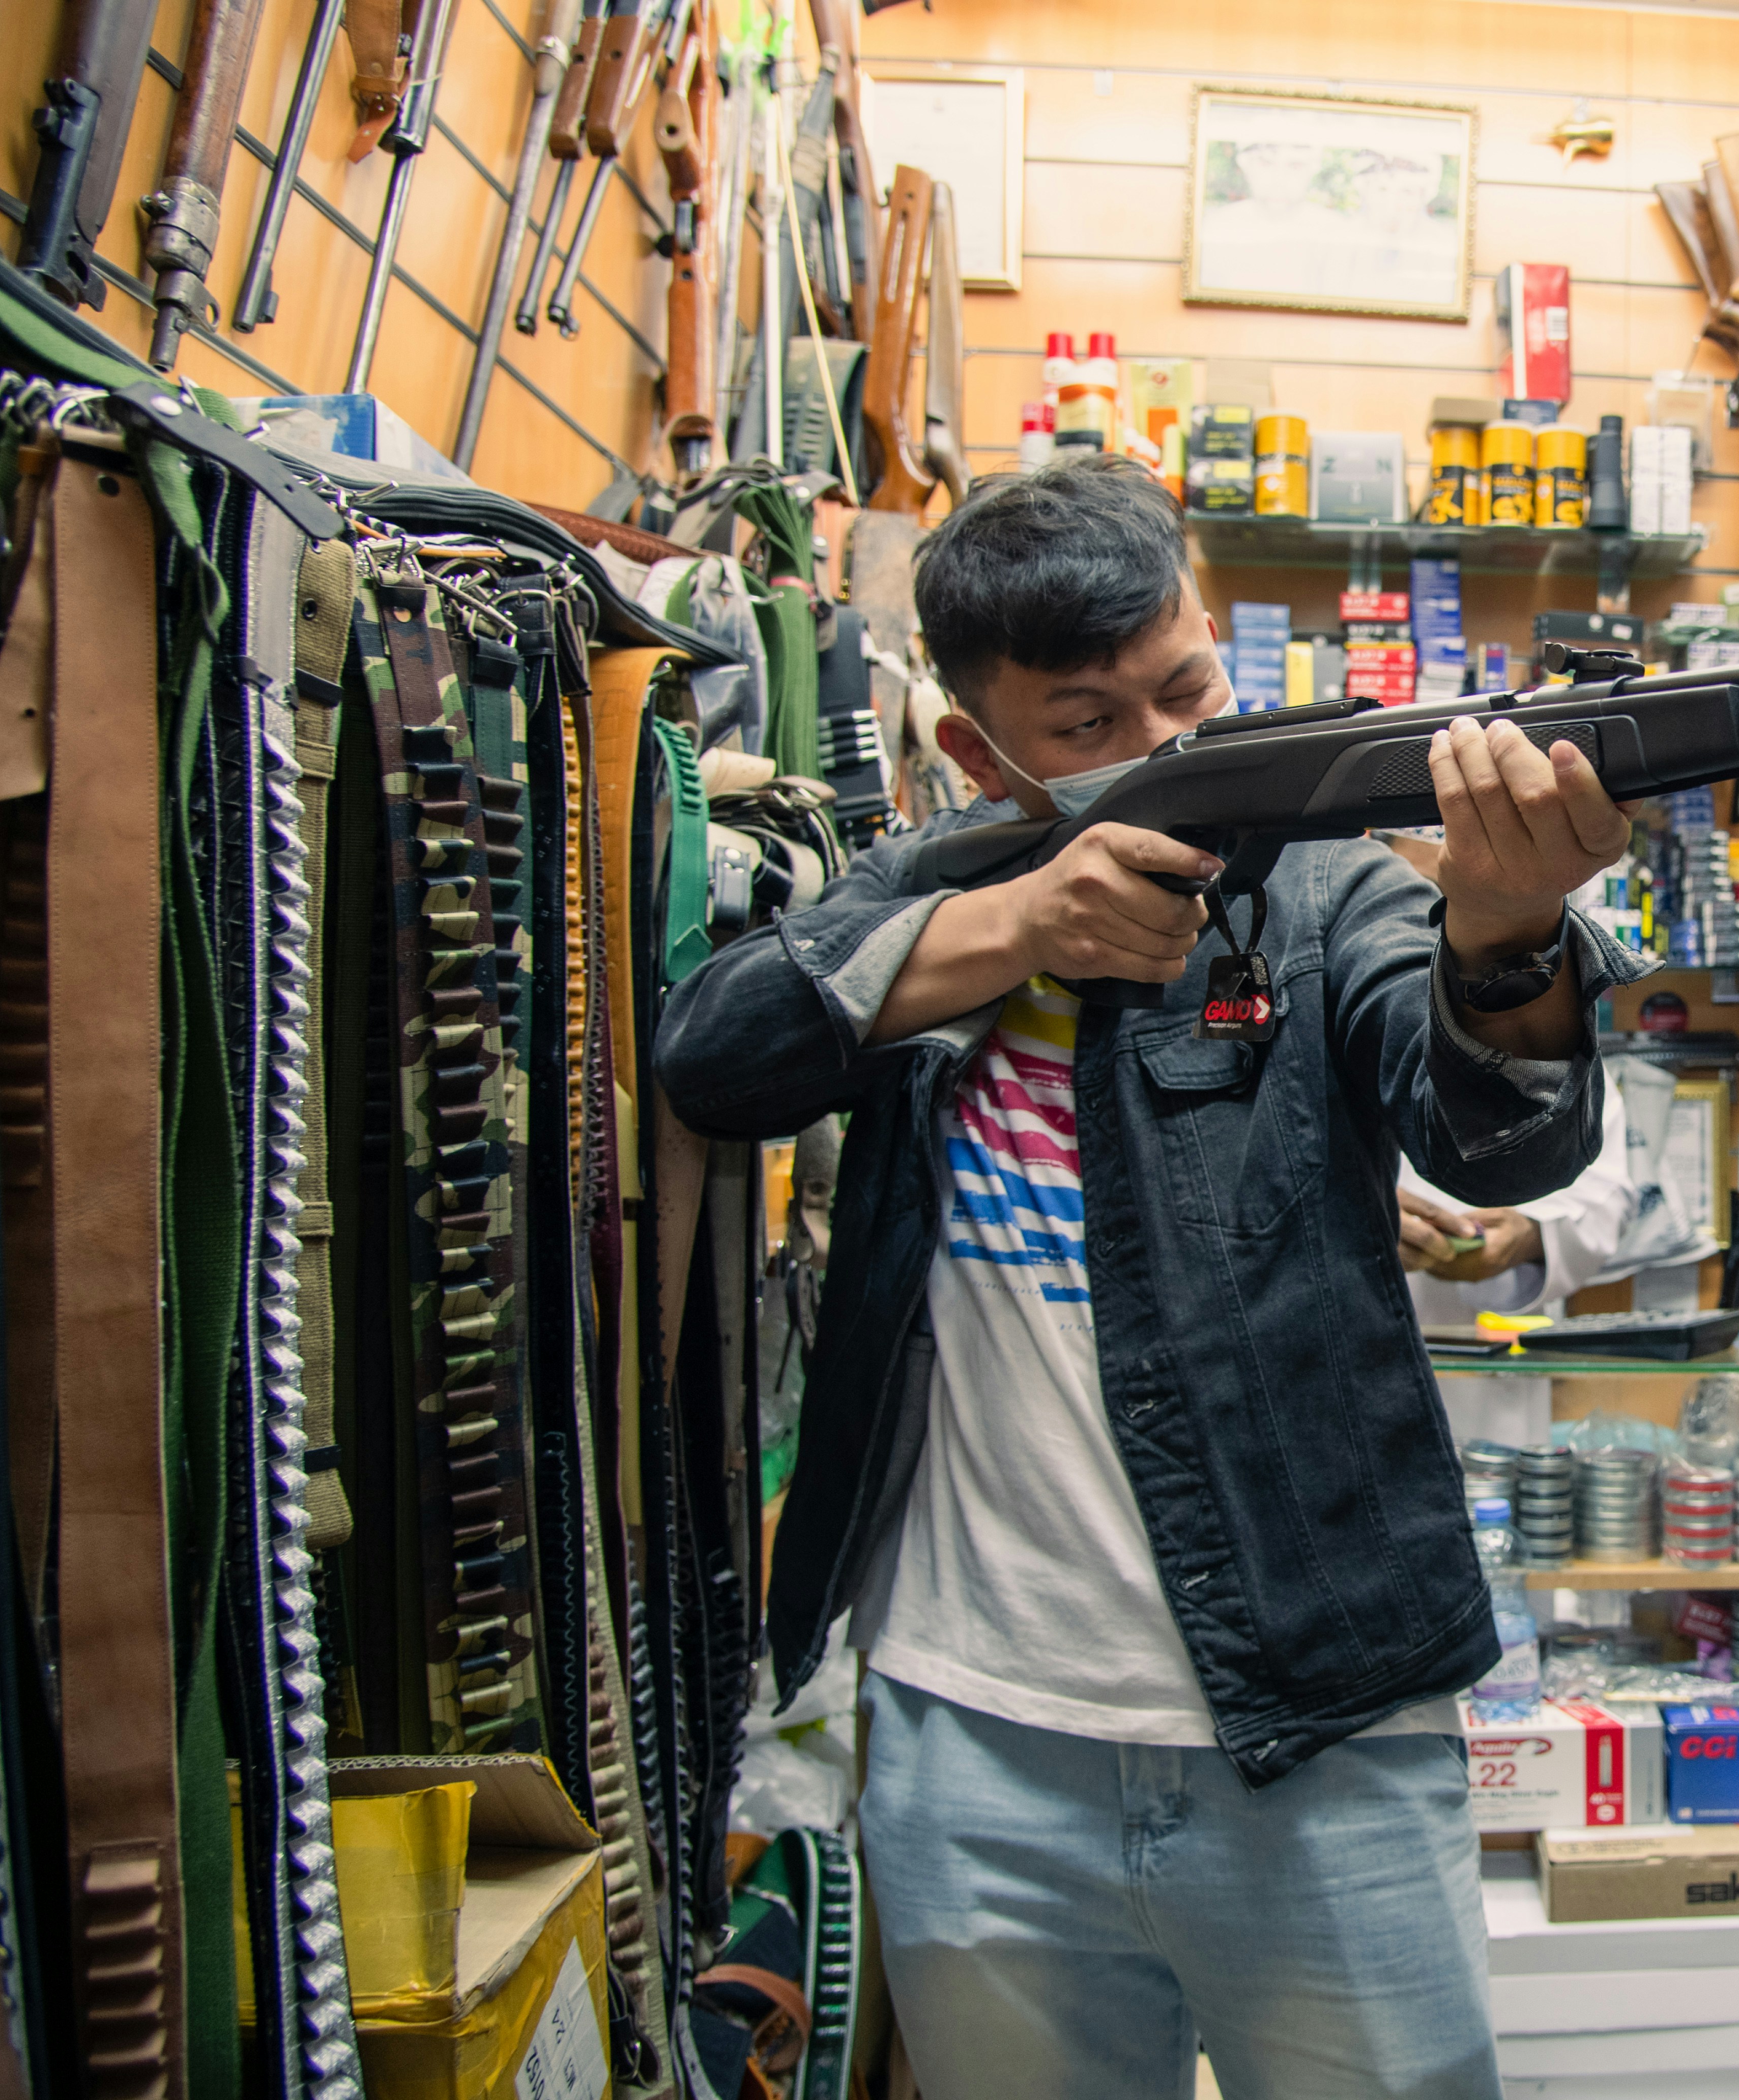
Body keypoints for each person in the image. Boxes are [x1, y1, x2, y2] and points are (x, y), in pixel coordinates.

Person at [651, 454, 1645, 2098]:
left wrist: (1507, 934)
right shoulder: (943, 896)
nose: (1166, 750)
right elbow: (714, 1055)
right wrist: (1019, 924)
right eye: (1089, 726)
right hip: (974, 1741)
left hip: (1319, 1726)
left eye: (1185, 689)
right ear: (981, 753)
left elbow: (1500, 1145)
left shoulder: (1322, 892)